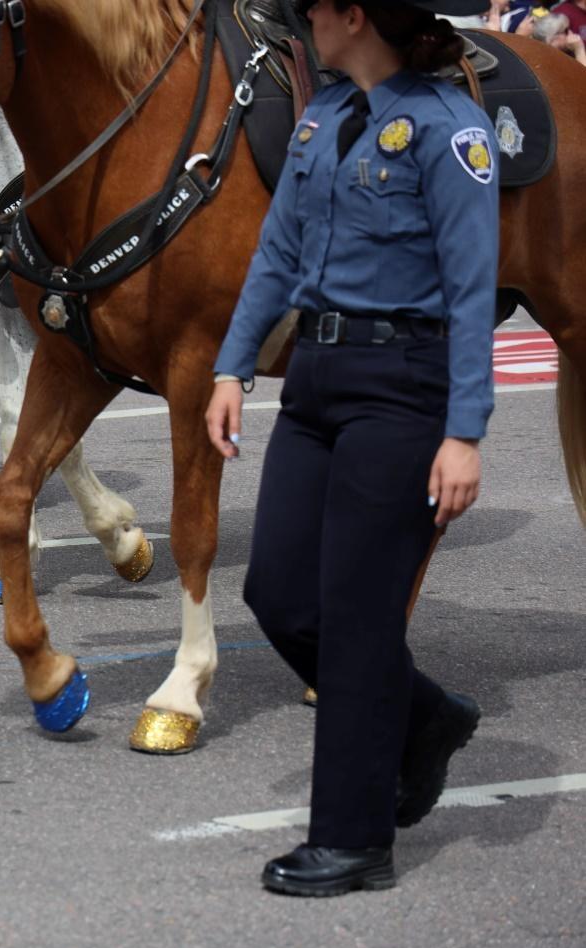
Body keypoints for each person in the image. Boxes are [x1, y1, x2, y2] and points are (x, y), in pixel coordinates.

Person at [205, 0, 497, 897]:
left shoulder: (451, 131)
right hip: (318, 379)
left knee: (362, 618)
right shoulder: (323, 117)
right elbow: (276, 250)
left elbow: (472, 288)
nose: (300, 26)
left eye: (310, 11)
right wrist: (232, 366)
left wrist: (464, 432)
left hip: (404, 389)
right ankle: (426, 716)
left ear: (355, 16)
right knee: (279, 592)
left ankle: (352, 839)